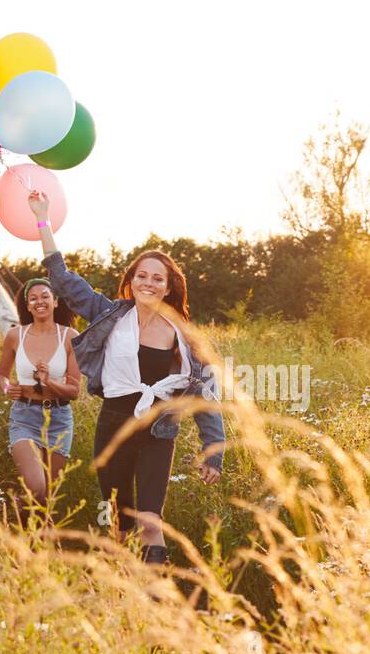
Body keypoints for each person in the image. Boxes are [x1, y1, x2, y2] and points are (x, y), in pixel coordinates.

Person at [26, 190, 224, 567]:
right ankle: (124, 592)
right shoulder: (110, 314)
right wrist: (42, 218)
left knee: (150, 522)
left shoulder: (185, 337)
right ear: (131, 280)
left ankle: (157, 596)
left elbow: (205, 397)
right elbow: (63, 279)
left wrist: (213, 452)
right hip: (113, 426)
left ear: (169, 287)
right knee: (119, 523)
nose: (148, 283)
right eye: (141, 276)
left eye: (157, 278)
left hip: (158, 432)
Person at [0, 275, 81, 527]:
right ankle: (17, 521)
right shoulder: (14, 335)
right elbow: (0, 375)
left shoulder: (69, 336)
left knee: (47, 501)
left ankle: (35, 555)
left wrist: (47, 381)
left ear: (55, 302)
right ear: (27, 306)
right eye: (33, 298)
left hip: (59, 420)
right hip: (25, 416)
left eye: (45, 296)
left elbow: (74, 390)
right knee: (35, 487)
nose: (39, 301)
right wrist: (8, 387)